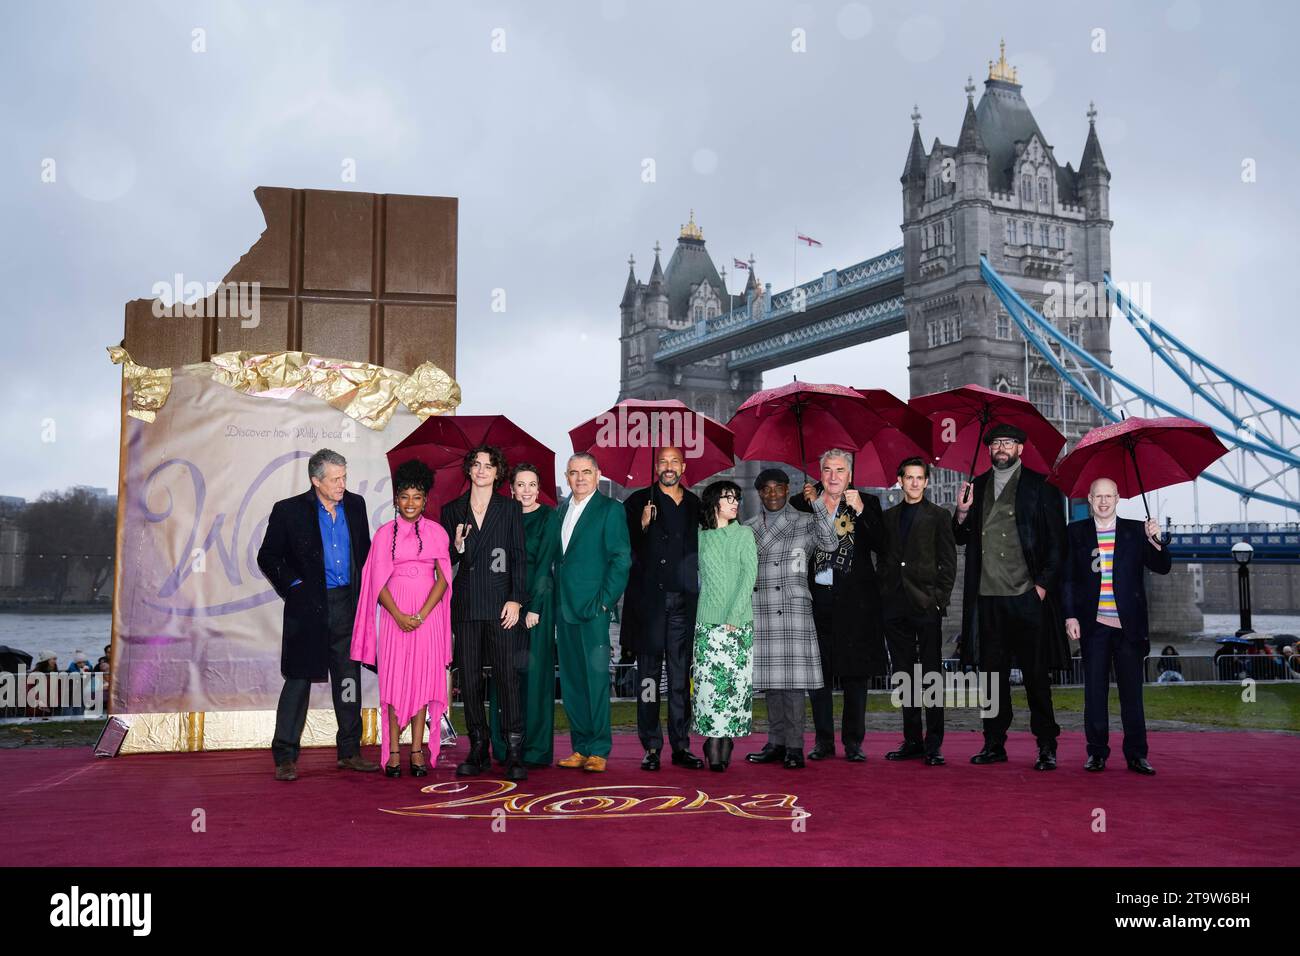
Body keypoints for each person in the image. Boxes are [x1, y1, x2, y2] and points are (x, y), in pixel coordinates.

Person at [257, 448, 379, 781]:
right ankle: (285, 755)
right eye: (336, 479)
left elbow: (364, 553)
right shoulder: (288, 511)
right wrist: (294, 586)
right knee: (298, 680)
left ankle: (350, 751)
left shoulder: (356, 505)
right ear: (316, 480)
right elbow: (267, 557)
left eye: (344, 477)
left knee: (348, 680)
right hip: (307, 608)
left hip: (346, 606)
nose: (343, 484)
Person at [953, 423, 1069, 771]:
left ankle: (1046, 744)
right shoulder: (977, 486)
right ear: (989, 449)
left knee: (1036, 676)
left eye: (1009, 442)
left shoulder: (1042, 486)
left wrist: (1042, 586)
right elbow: (960, 537)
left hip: (1026, 596)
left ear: (1020, 448)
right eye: (996, 443)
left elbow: (1056, 543)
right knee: (992, 678)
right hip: (988, 597)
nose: (1001, 448)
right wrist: (961, 512)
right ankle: (993, 742)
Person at [350, 459, 454, 778]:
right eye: (405, 496)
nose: (410, 503)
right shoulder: (383, 534)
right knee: (394, 684)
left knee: (422, 683)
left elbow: (443, 578)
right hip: (394, 616)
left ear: (425, 501)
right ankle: (394, 750)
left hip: (428, 617)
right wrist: (397, 615)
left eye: (417, 497)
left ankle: (417, 751)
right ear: (396, 499)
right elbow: (375, 581)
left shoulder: (437, 532)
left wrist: (421, 614)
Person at [1063, 478, 1171, 775]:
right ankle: (1096, 753)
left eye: (1109, 496)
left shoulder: (1136, 530)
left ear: (1118, 498)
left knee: (1132, 695)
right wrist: (1070, 615)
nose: (1103, 501)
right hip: (1093, 624)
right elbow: (1069, 578)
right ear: (1089, 498)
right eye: (1098, 496)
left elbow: (1162, 566)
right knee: (1094, 694)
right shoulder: (1076, 532)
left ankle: (1137, 754)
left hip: (1129, 627)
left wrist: (1156, 539)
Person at [439, 445, 529, 781]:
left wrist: (517, 599)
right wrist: (458, 546)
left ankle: (514, 749)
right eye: (476, 465)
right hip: (465, 605)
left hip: (502, 606)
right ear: (469, 470)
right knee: (472, 680)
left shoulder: (509, 509)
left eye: (489, 466)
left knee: (507, 678)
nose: (481, 470)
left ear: (497, 472)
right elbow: (443, 562)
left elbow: (519, 557)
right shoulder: (451, 511)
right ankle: (478, 746)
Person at [790, 448, 887, 761]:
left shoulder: (866, 503)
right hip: (815, 601)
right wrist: (804, 499)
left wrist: (860, 512)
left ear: (850, 474)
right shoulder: (806, 503)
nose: (833, 476)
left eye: (840, 470)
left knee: (854, 677)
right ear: (820, 473)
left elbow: (882, 544)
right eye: (828, 470)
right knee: (818, 677)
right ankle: (823, 741)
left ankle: (853, 743)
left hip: (855, 605)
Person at [744, 468, 836, 769]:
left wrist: (818, 504)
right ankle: (776, 742)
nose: (772, 494)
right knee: (771, 681)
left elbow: (830, 543)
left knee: (794, 684)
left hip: (793, 607)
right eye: (766, 489)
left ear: (787, 490)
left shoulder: (806, 520)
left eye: (778, 488)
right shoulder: (748, 528)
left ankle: (795, 746)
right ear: (759, 493)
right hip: (761, 606)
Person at [623, 446, 704, 772]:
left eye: (674, 462)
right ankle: (651, 746)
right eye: (663, 462)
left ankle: (681, 745)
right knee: (648, 679)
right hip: (650, 605)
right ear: (656, 466)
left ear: (683, 466)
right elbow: (623, 548)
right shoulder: (636, 502)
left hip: (683, 603)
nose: (668, 467)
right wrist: (642, 526)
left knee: (681, 677)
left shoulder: (697, 505)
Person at [551, 453, 631, 773]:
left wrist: (604, 603)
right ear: (567, 477)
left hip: (594, 611)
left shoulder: (610, 510)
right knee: (572, 684)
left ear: (598, 475)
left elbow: (621, 560)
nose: (580, 478)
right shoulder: (559, 512)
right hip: (564, 610)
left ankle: (598, 749)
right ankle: (580, 747)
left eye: (586, 472)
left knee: (596, 682)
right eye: (574, 473)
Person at [878, 457, 957, 766]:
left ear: (927, 482)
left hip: (926, 604)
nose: (913, 482)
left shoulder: (939, 515)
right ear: (900, 480)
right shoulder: (888, 517)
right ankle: (912, 740)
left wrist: (939, 599)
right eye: (908, 477)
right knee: (904, 675)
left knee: (931, 675)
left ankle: (933, 742)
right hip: (895, 606)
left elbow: (948, 562)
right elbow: (883, 559)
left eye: (919, 477)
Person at [488, 463, 561, 768]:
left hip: (536, 606)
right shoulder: (501, 515)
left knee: (536, 677)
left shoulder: (548, 516)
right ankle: (504, 746)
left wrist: (535, 608)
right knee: (504, 676)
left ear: (538, 488)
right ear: (512, 488)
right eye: (521, 485)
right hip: (504, 605)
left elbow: (545, 564)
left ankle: (534, 749)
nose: (527, 491)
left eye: (532, 485)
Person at [692, 480, 759, 771]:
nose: (734, 503)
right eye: (728, 498)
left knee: (732, 689)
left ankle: (726, 739)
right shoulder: (700, 536)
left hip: (737, 624)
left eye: (737, 498)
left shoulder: (744, 534)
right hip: (706, 624)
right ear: (713, 503)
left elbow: (749, 576)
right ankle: (711, 740)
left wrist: (733, 614)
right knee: (707, 690)